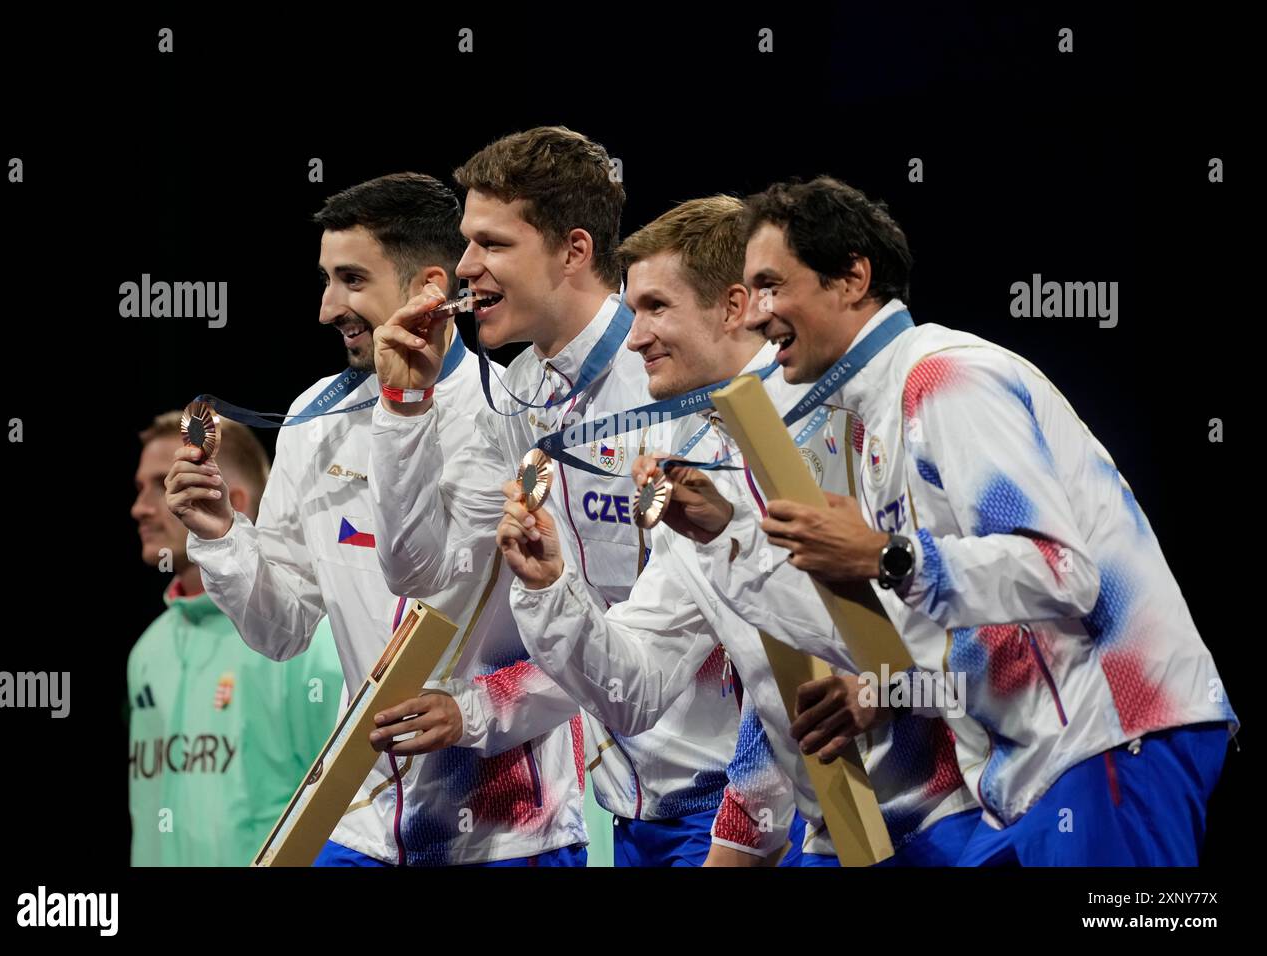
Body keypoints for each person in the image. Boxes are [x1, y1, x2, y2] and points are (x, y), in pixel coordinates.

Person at [694, 175, 1238, 864]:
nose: (755, 315)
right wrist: (882, 688)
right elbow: (965, 639)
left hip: (1112, 733)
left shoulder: (945, 378)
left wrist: (884, 556)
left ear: (852, 277)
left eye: (772, 285)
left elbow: (1062, 574)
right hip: (1030, 775)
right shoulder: (870, 424)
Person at [498, 195, 980, 866]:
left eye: (655, 308)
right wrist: (549, 588)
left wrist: (740, 833)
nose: (633, 339)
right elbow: (634, 690)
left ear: (732, 308)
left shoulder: (841, 421)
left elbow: (949, 629)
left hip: (955, 816)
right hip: (832, 827)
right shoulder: (691, 455)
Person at [169, 173, 587, 866]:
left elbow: (585, 638)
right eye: (327, 279)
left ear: (428, 287)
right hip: (359, 824)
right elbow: (279, 631)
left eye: (351, 279)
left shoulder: (518, 421)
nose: (328, 307)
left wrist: (473, 713)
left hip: (507, 832)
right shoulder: (315, 418)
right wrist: (220, 536)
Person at [370, 128, 748, 865]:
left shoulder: (677, 381)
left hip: (732, 798)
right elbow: (424, 573)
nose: (464, 267)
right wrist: (404, 406)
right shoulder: (517, 395)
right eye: (465, 243)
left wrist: (481, 709)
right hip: (626, 806)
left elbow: (663, 624)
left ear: (573, 251)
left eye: (491, 244)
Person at [130, 410, 341, 866]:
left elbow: (345, 806)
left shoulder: (309, 643)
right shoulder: (146, 652)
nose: (142, 508)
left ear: (233, 501)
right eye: (142, 488)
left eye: (164, 485)